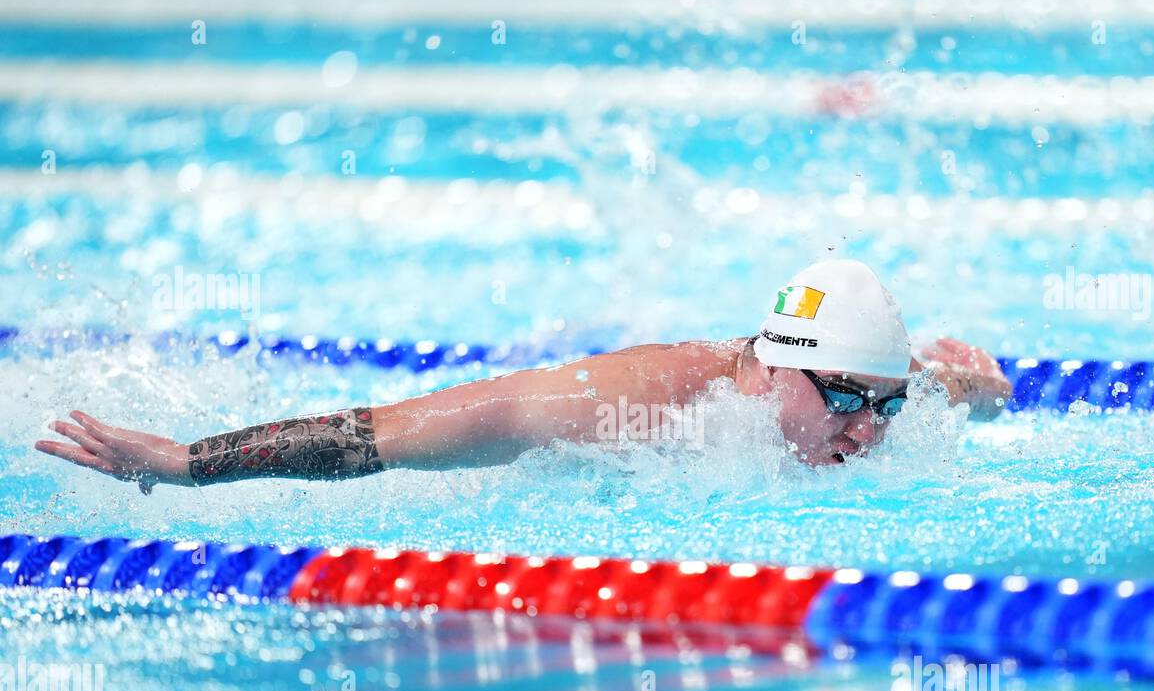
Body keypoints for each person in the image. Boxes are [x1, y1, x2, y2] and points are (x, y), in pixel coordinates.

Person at [35, 260, 1012, 492]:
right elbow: (393, 429)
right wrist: (185, 460)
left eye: (882, 403)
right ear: (775, 369)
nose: (869, 427)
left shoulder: (858, 393)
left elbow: (935, 380)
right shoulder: (645, 405)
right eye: (846, 396)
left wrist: (965, 382)